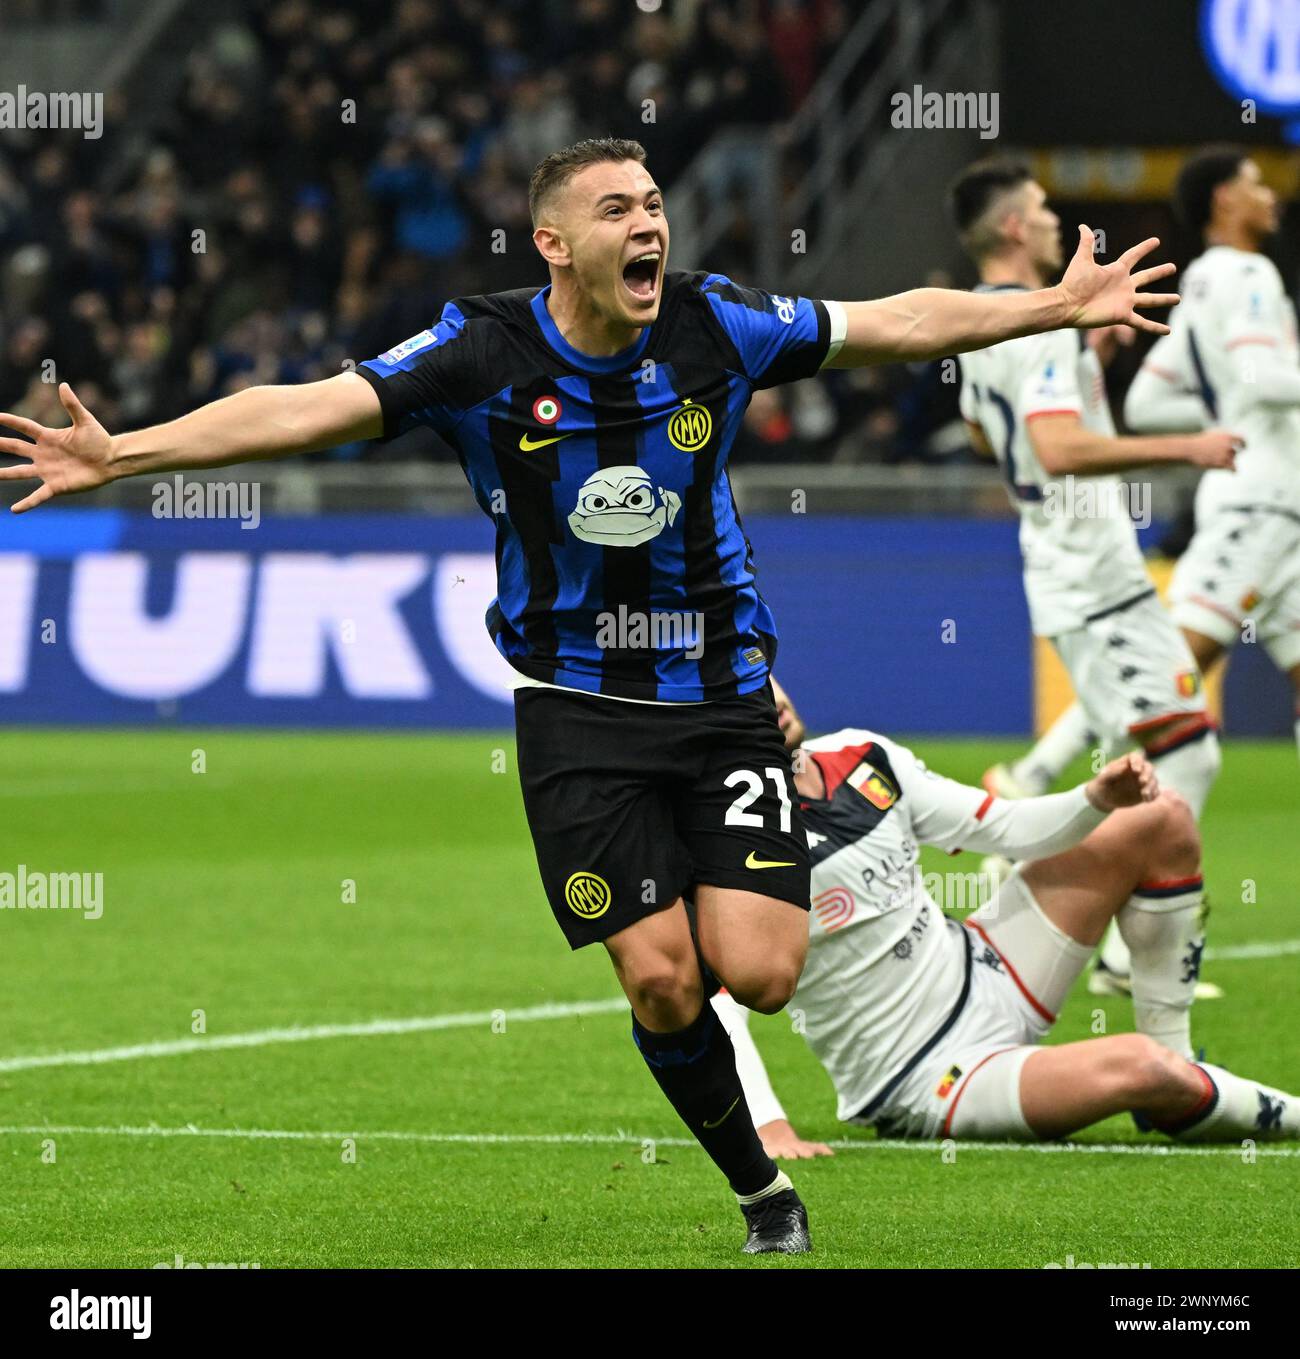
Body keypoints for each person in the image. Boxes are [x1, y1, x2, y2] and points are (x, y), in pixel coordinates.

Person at [0, 137, 1181, 1253]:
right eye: (616, 208)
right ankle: (764, 1195)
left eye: (654, 205)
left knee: (761, 973)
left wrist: (1050, 305)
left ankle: (689, 901)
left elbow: (901, 323)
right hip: (575, 711)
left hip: (723, 697)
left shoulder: (717, 322)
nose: (647, 223)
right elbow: (305, 406)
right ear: (554, 244)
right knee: (664, 978)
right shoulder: (480, 351)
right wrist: (127, 454)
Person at [713, 681, 1297, 1147]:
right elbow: (716, 1000)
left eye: (764, 673)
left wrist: (1094, 799)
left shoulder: (864, 756)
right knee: (1143, 1071)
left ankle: (1180, 1054)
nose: (772, 695)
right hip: (928, 1076)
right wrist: (765, 1122)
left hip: (989, 967)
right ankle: (1215, 1093)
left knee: (1160, 815)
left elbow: (1002, 827)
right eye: (744, 691)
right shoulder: (727, 838)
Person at [950, 158, 1239, 996]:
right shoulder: (1042, 325)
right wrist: (1184, 448)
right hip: (1091, 572)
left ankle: (1028, 894)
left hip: (1071, 566)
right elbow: (1056, 448)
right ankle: (1098, 944)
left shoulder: (976, 323)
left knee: (1150, 757)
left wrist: (1083, 361)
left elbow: (984, 436)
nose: (1051, 220)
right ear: (1014, 228)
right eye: (1041, 209)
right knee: (1187, 754)